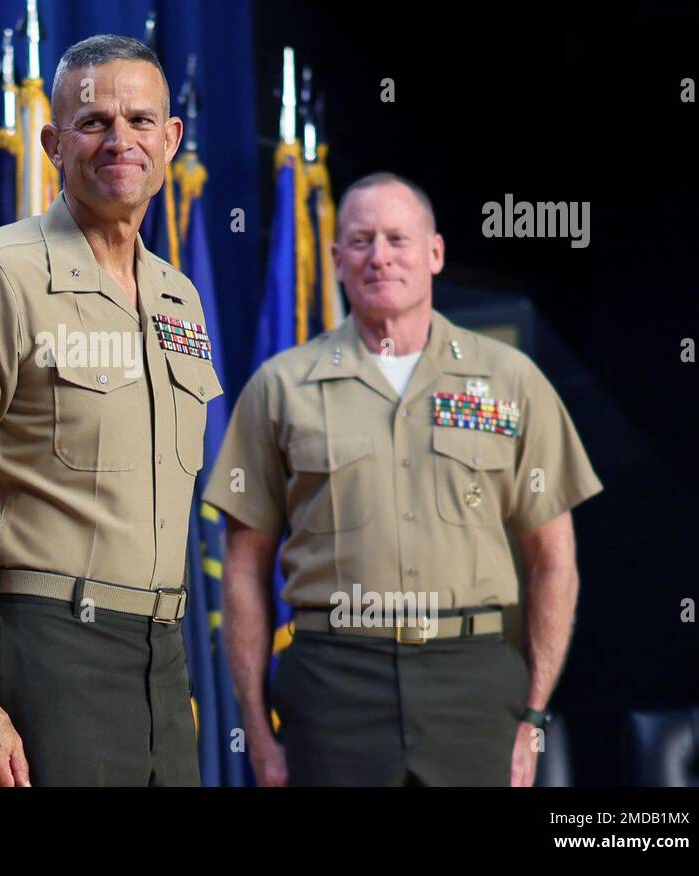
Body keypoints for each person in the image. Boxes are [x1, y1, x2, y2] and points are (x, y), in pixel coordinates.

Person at [204, 172, 602, 786]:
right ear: (335, 260)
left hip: (472, 684)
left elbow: (555, 560)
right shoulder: (280, 388)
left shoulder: (510, 381)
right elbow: (244, 569)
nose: (379, 256)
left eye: (398, 238)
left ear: (435, 253)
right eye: (360, 241)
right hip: (333, 685)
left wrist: (533, 718)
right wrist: (257, 732)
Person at [0, 35, 221, 786]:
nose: (121, 141)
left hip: (162, 659)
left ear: (171, 139)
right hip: (46, 651)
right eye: (94, 123)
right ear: (52, 142)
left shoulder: (180, 297)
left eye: (142, 121)